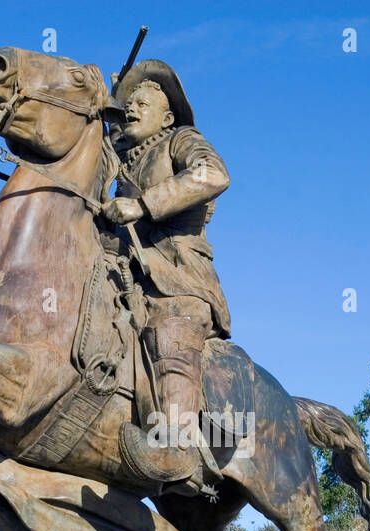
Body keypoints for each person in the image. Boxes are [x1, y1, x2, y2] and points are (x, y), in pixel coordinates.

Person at [102, 60, 231, 486]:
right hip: (131, 277)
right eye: (129, 103)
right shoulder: (121, 166)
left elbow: (213, 175)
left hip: (178, 281)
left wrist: (143, 204)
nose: (133, 108)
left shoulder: (181, 140)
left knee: (170, 330)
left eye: (143, 102)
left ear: (168, 117)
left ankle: (176, 446)